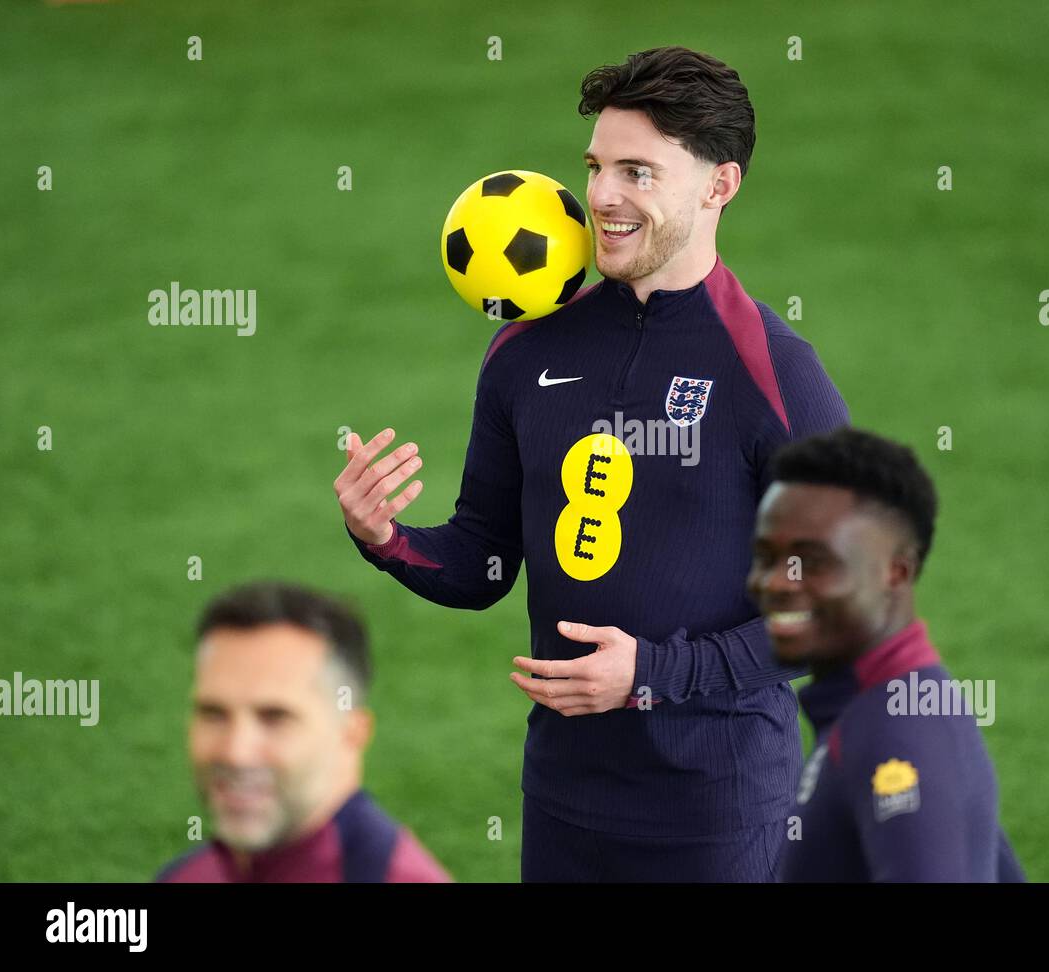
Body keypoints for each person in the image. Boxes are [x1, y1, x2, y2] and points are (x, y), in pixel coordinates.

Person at [334, 46, 849, 881]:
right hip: (566, 801)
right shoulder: (524, 351)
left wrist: (653, 672)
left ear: (719, 185)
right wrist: (385, 535)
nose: (602, 196)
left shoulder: (776, 374)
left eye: (638, 172)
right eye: (597, 167)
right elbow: (482, 561)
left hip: (718, 811)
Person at [748, 427, 1025, 881]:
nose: (775, 582)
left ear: (897, 572)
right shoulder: (882, 708)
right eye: (765, 557)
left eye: (811, 562)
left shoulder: (897, 735)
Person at [157, 581, 450, 883]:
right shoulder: (186, 876)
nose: (235, 752)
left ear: (351, 734)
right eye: (214, 714)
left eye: (275, 717)